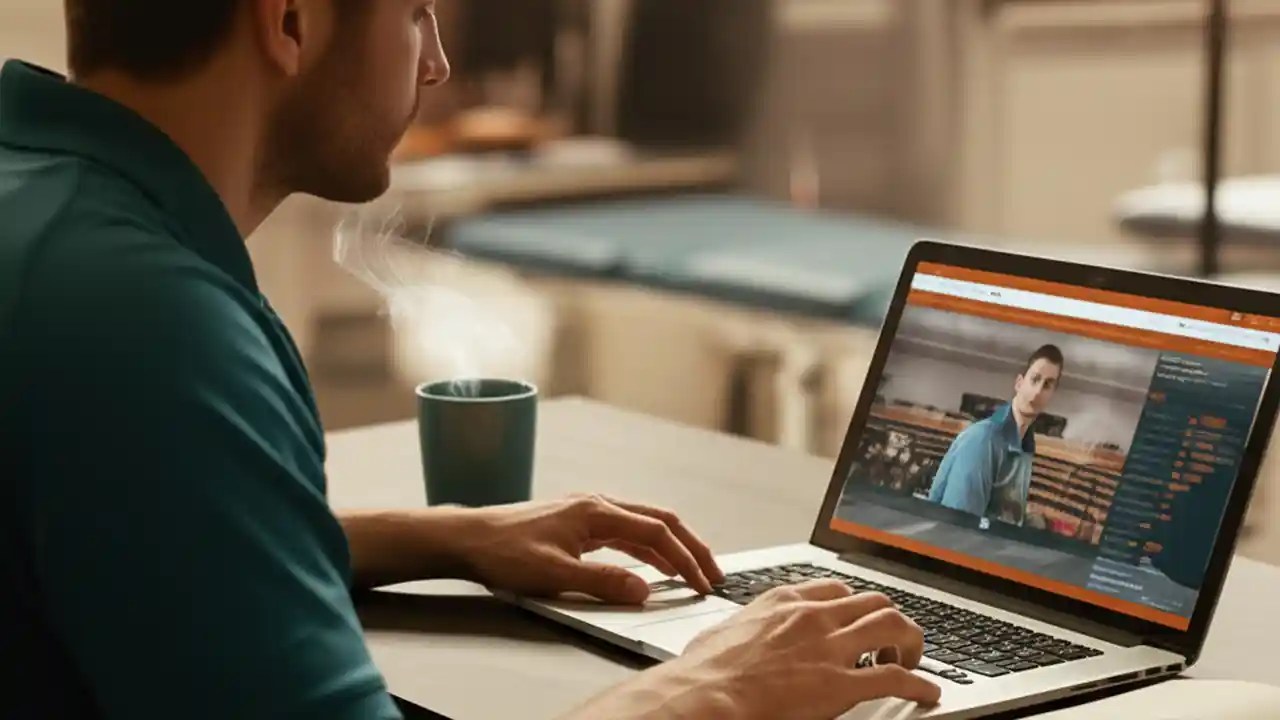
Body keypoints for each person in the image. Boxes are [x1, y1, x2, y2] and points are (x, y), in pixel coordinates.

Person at [0, 2, 941, 718]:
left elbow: (133, 525)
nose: (440, 63)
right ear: (288, 19)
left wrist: (442, 536)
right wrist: (717, 688)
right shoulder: (154, 324)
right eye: (415, 12)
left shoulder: (42, 213)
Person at [927, 345, 1065, 527]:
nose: (1038, 391)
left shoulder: (1026, 447)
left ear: (1051, 395)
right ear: (1019, 383)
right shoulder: (984, 439)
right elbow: (957, 528)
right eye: (1035, 379)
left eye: (1047, 385)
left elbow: (1002, 515)